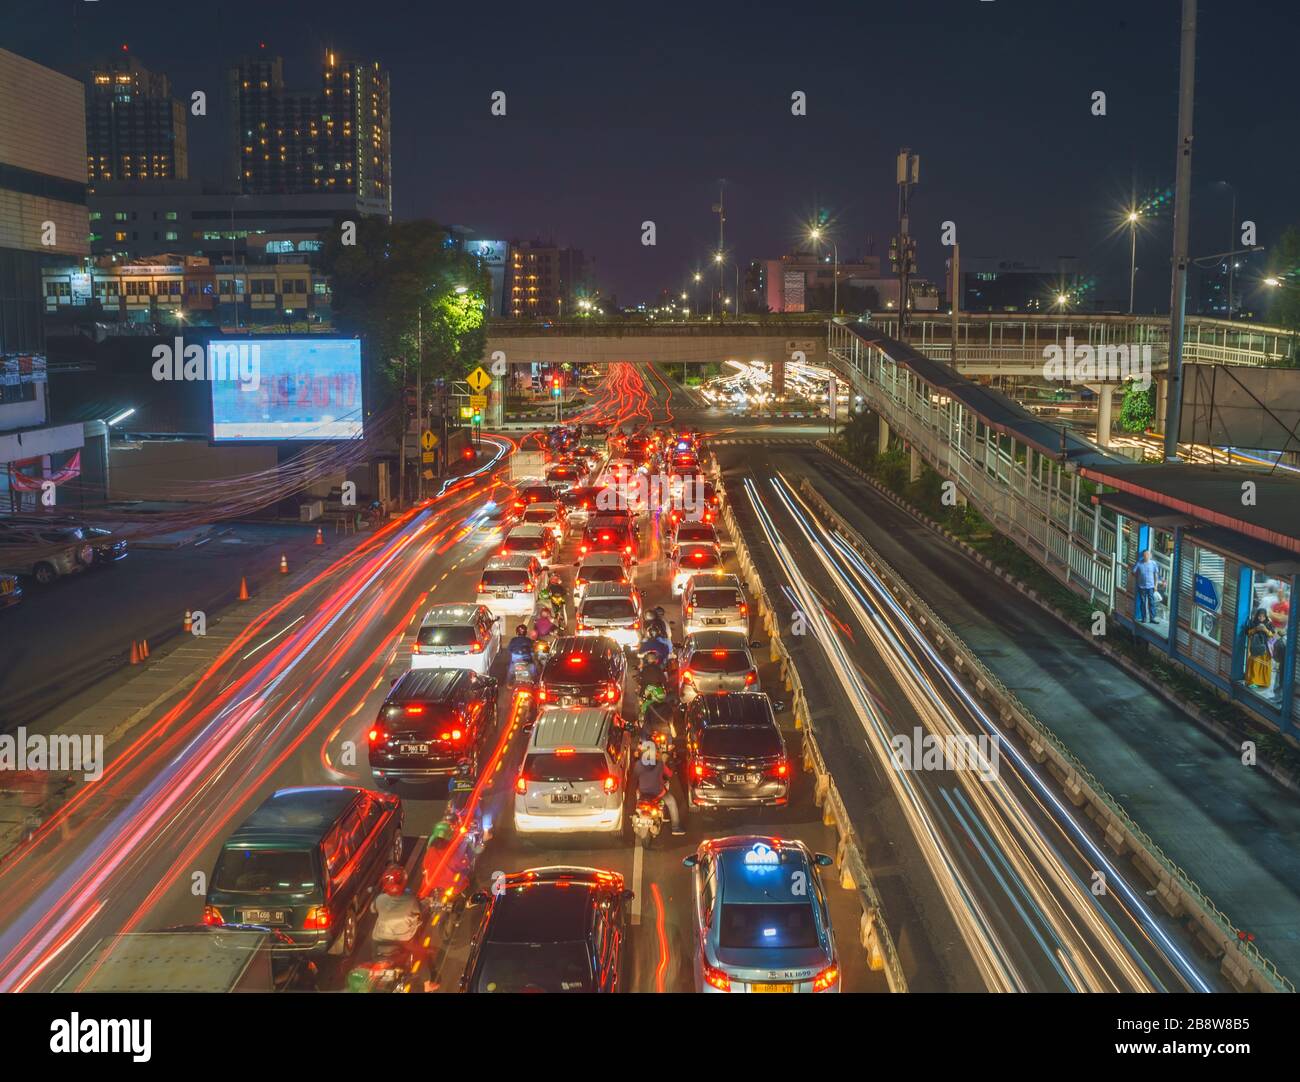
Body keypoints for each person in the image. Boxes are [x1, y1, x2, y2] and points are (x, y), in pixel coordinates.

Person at [369, 865, 435, 991]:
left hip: (378, 941)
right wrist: (427, 903)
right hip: (404, 941)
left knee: (375, 961)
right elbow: (420, 911)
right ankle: (427, 984)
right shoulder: (411, 900)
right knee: (422, 953)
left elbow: (372, 909)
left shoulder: (380, 899)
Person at [631, 748, 684, 836]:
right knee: (671, 802)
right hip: (657, 793)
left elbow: (635, 776)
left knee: (637, 797)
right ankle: (676, 827)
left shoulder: (639, 764)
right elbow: (670, 774)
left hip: (642, 793)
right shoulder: (660, 764)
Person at [1244, 608, 1275, 690]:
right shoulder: (1253, 623)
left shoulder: (1269, 624)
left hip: (1266, 648)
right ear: (1257, 616)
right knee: (1255, 664)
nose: (1261, 618)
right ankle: (1253, 682)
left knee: (1265, 664)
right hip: (1256, 647)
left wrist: (1265, 630)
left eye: (1263, 617)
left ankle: (1264, 682)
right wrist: (1256, 629)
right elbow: (1248, 632)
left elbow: (1272, 635)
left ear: (1266, 617)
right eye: (1259, 616)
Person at [1131, 550, 1160, 623]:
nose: (1146, 556)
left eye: (1147, 555)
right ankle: (1144, 618)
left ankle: (1152, 618)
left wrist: (1156, 586)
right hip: (1141, 586)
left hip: (1151, 586)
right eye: (1145, 555)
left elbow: (1156, 576)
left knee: (1151, 602)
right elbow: (1133, 572)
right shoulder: (1139, 563)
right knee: (1143, 602)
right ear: (1143, 556)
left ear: (1150, 556)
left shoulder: (1153, 563)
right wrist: (1138, 578)